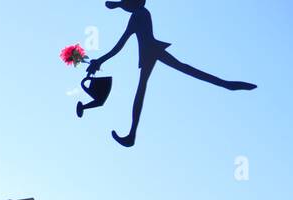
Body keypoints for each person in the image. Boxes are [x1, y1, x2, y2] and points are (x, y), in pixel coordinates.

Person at [87, 0, 257, 148]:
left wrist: (100, 60)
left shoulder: (139, 14)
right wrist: (100, 60)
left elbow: (120, 45)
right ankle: (227, 85)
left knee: (163, 78)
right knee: (171, 74)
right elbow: (120, 41)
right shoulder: (140, 13)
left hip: (151, 51)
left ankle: (227, 85)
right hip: (150, 52)